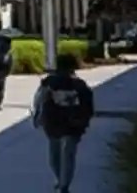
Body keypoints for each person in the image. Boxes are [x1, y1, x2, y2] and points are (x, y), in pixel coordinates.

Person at [32, 53, 94, 193]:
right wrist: (85, 120)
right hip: (74, 124)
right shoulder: (80, 85)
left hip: (53, 123)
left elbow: (39, 100)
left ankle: (61, 180)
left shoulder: (49, 83)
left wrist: (37, 117)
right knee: (69, 155)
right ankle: (64, 184)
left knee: (55, 156)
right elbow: (88, 106)